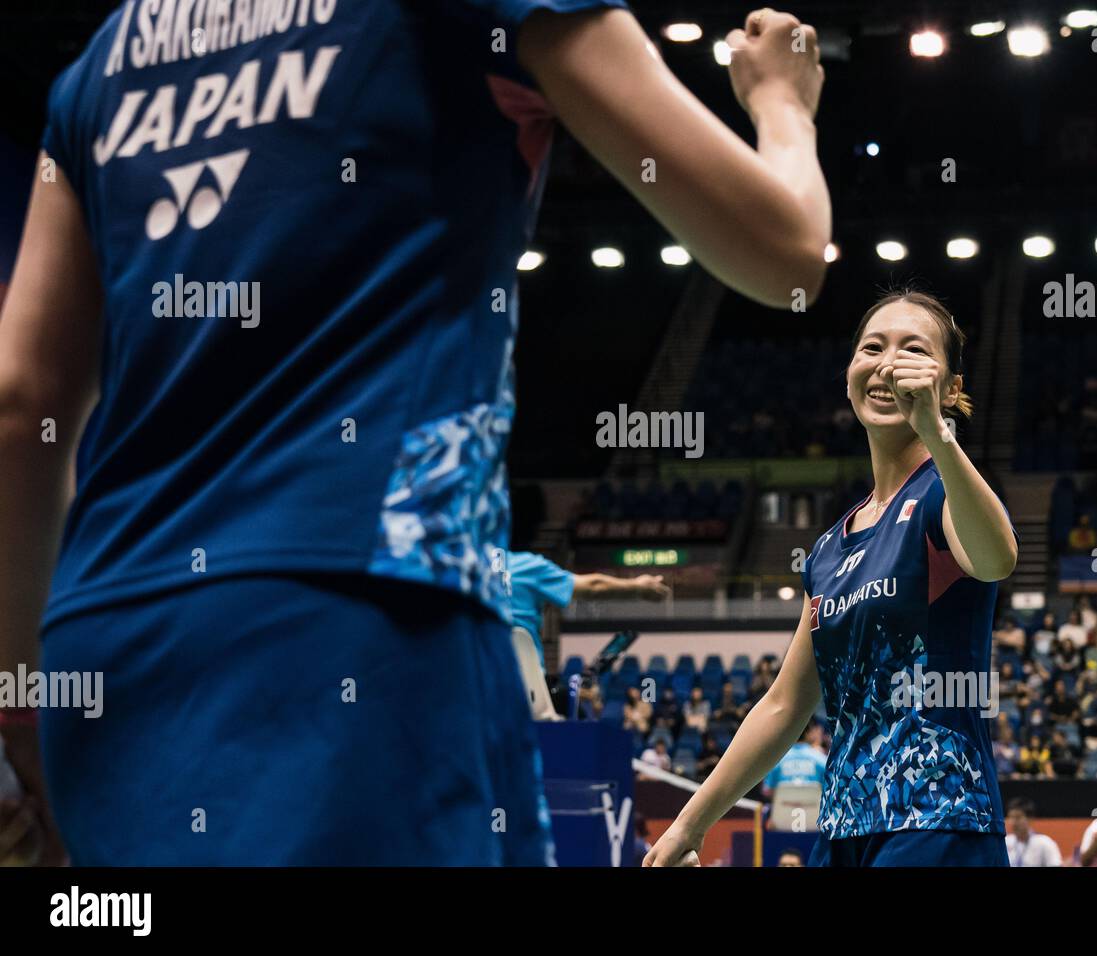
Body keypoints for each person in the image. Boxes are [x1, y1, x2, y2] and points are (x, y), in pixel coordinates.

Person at [0, 2, 833, 866]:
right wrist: (783, 102)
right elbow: (786, 252)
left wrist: (24, 711)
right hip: (362, 607)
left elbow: (23, 408)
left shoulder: (107, 59)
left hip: (109, 633)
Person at [645, 289, 1019, 867]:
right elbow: (785, 704)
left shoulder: (945, 495)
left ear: (950, 388)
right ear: (850, 376)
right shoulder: (828, 548)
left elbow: (997, 559)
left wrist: (938, 432)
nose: (889, 363)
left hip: (938, 819)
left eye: (913, 349)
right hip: (844, 828)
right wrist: (690, 824)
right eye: (873, 347)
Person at [507, 549, 669, 718]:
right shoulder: (524, 566)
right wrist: (638, 587)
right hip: (527, 694)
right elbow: (593, 586)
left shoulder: (477, 575)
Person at [761, 721, 828, 799]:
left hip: (782, 809)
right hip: (813, 809)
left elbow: (767, 791)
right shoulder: (821, 759)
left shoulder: (777, 760)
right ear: (807, 733)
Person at [1004, 798, 1062, 867]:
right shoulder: (1005, 842)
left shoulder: (1044, 843)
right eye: (1011, 817)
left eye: (1018, 817)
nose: (1013, 822)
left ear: (1030, 818)